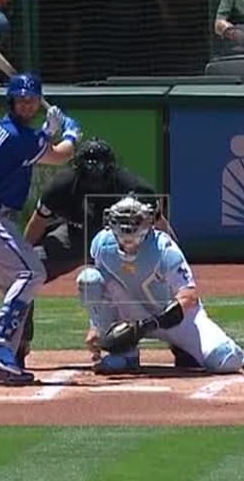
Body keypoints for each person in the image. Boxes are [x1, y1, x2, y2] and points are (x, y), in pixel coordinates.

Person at [0, 73, 80, 384]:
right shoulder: (13, 134)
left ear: (38, 102)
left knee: (19, 282)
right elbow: (59, 156)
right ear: (11, 101)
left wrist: (49, 133)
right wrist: (71, 134)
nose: (26, 104)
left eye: (31, 99)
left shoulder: (17, 132)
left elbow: (41, 146)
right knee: (31, 273)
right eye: (21, 99)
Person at [15, 138, 170, 364]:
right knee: (26, 273)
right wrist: (23, 258)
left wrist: (173, 257)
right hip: (74, 237)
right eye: (89, 169)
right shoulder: (61, 186)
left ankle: (179, 344)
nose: (94, 175)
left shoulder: (132, 187)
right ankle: (18, 346)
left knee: (166, 276)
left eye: (99, 168)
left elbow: (159, 223)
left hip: (119, 244)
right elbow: (38, 222)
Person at [78, 196, 244, 374]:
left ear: (147, 222)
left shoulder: (163, 248)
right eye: (122, 223)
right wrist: (96, 325)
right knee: (88, 278)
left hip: (174, 318)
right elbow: (102, 284)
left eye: (134, 222)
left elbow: (189, 297)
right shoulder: (101, 244)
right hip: (132, 312)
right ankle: (124, 355)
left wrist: (149, 325)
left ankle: (221, 348)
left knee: (227, 360)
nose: (127, 229)